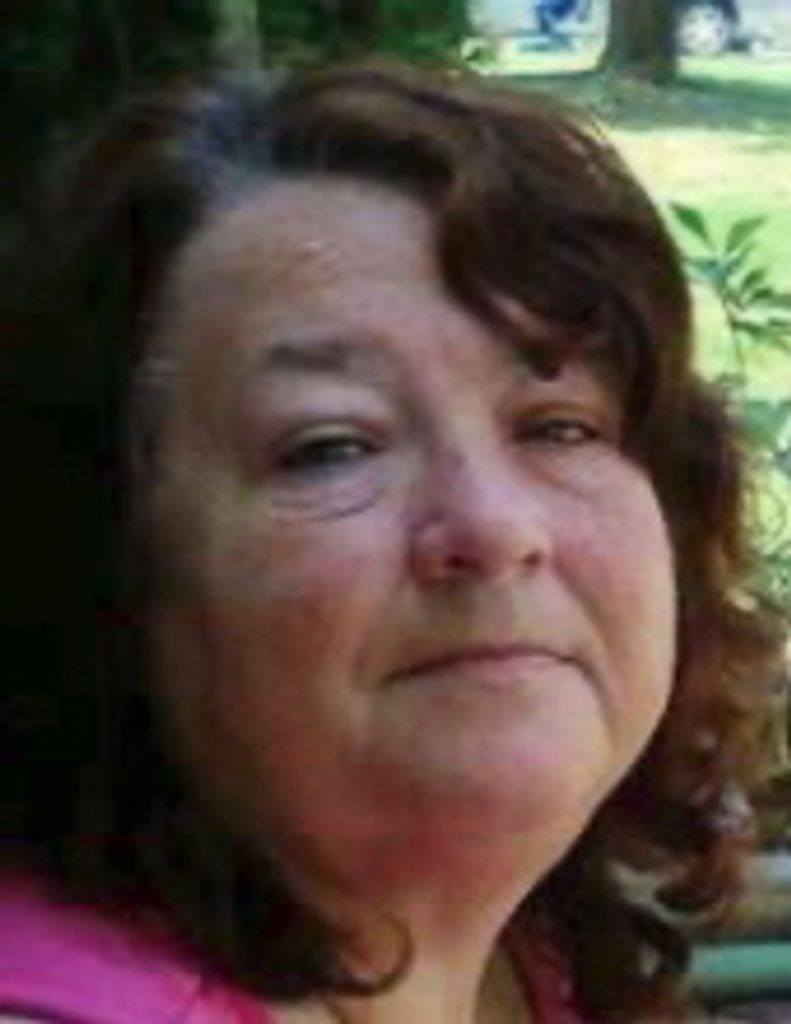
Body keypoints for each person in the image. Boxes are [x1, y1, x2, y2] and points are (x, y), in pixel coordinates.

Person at [0, 60, 784, 1023]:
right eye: (331, 447)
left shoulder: (536, 955)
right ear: (112, 569)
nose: (495, 528)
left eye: (559, 426)